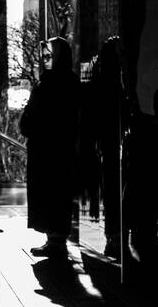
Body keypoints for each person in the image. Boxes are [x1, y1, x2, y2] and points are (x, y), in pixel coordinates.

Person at [20, 37, 80, 257]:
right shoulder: (71, 82)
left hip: (47, 148)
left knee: (50, 193)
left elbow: (33, 118)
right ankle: (56, 238)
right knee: (58, 193)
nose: (45, 60)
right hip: (60, 148)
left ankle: (54, 240)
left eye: (48, 56)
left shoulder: (49, 84)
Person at [92, 36, 127, 258]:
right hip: (117, 145)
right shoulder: (118, 85)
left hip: (105, 147)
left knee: (111, 194)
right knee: (119, 192)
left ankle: (112, 237)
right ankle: (118, 236)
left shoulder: (98, 82)